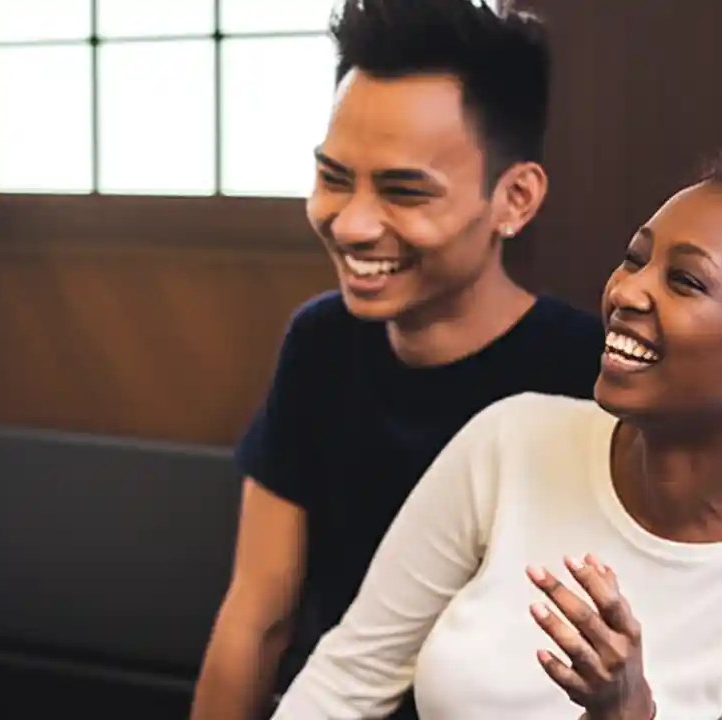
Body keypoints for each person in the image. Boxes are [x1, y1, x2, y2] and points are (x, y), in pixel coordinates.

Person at [271, 124, 722, 719]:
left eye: (684, 280)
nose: (626, 292)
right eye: (636, 259)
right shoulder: (511, 440)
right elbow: (346, 680)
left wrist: (625, 712)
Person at [189, 1, 604, 719]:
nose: (350, 223)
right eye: (334, 178)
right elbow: (258, 612)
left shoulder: (589, 375)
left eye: (404, 192)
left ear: (515, 198)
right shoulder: (320, 342)